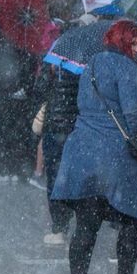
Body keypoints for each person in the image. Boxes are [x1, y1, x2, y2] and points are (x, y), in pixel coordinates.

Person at [50, 20, 137, 274]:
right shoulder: (127, 69)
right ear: (122, 42)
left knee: (86, 224)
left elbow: (84, 103)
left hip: (83, 150)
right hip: (116, 155)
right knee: (133, 221)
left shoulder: (91, 64)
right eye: (134, 43)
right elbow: (133, 115)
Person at [32, 58, 80, 245]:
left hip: (57, 126)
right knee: (69, 175)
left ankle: (60, 228)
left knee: (55, 175)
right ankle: (73, 225)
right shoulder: (90, 62)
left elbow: (39, 90)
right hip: (77, 126)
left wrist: (49, 73)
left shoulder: (53, 58)